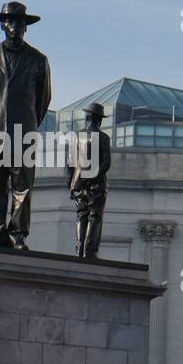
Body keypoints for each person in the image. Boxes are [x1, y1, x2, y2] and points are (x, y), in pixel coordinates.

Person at [0, 0, 52, 249]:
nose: (15, 26)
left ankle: (17, 233)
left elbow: (43, 99)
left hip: (24, 131)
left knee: (23, 186)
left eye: (19, 22)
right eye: (10, 21)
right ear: (2, 25)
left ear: (26, 27)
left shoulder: (38, 60)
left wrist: (28, 121)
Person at [67, 102, 111, 257]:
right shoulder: (104, 138)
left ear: (87, 118)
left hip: (78, 184)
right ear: (100, 120)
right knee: (95, 216)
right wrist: (94, 177)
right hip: (96, 185)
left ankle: (79, 249)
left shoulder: (76, 136)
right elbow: (106, 163)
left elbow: (70, 163)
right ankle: (89, 251)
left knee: (81, 215)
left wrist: (71, 185)